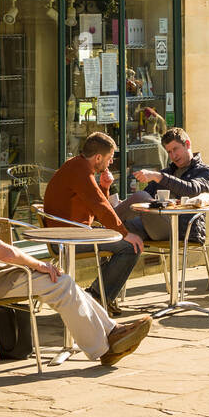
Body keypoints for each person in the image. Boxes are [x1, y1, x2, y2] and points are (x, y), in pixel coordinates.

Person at [0, 148, 152, 367]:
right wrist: (39, 264)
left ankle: (112, 331)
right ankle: (104, 349)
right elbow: (5, 252)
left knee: (61, 280)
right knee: (60, 282)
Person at [43, 132, 145, 314]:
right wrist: (125, 234)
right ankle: (98, 296)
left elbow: (97, 208)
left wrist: (104, 187)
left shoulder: (78, 166)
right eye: (110, 158)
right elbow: (100, 207)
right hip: (68, 240)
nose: (111, 162)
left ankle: (101, 296)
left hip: (73, 233)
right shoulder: (81, 172)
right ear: (98, 157)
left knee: (120, 242)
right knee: (130, 247)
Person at [121, 126, 209, 248]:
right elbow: (145, 198)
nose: (173, 156)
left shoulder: (206, 172)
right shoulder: (167, 172)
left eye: (175, 149)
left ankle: (103, 221)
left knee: (140, 196)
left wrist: (158, 176)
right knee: (119, 228)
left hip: (183, 231)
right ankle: (103, 226)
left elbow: (192, 190)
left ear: (187, 144)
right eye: (169, 152)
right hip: (156, 225)